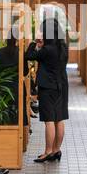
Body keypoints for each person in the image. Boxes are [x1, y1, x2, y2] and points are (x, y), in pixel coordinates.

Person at [27, 10, 69, 162]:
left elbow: (29, 55)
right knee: (59, 118)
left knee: (49, 120)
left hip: (47, 87)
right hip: (62, 86)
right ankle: (57, 150)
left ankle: (48, 151)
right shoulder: (63, 47)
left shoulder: (46, 50)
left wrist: (34, 42)